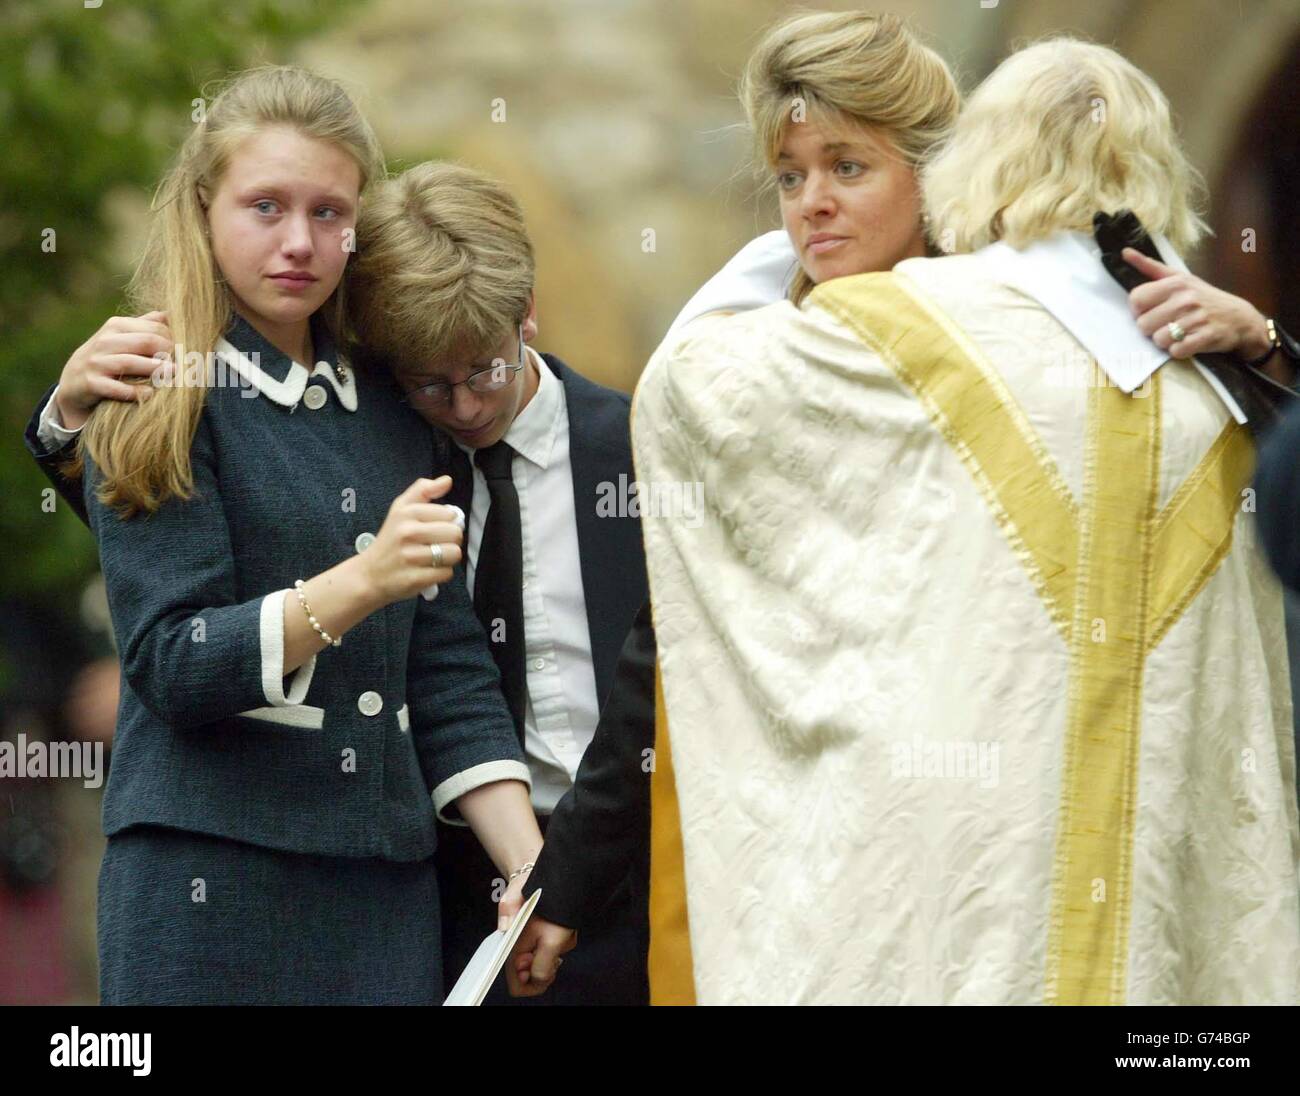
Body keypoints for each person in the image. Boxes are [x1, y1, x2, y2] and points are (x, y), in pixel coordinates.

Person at [630, 36, 1300, 1005]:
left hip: (962, 894)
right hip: (1149, 929)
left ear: (967, 161)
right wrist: (1270, 343)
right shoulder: (1214, 384)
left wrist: (796, 238)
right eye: (794, 177)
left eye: (845, 169)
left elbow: (683, 390)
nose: (814, 196)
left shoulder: (895, 331)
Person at [24, 65, 540, 1004]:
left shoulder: (394, 403)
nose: (300, 241)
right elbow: (174, 665)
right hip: (206, 891)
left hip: (382, 895)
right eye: (266, 206)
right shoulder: (152, 385)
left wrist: (527, 865)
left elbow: (447, 666)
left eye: (330, 212)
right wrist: (363, 579)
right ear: (203, 208)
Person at [345, 162, 648, 1004]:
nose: (468, 409)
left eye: (484, 370)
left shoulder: (638, 447)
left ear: (528, 315)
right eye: (433, 386)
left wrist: (580, 876)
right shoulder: (390, 462)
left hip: (639, 881)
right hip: (455, 900)